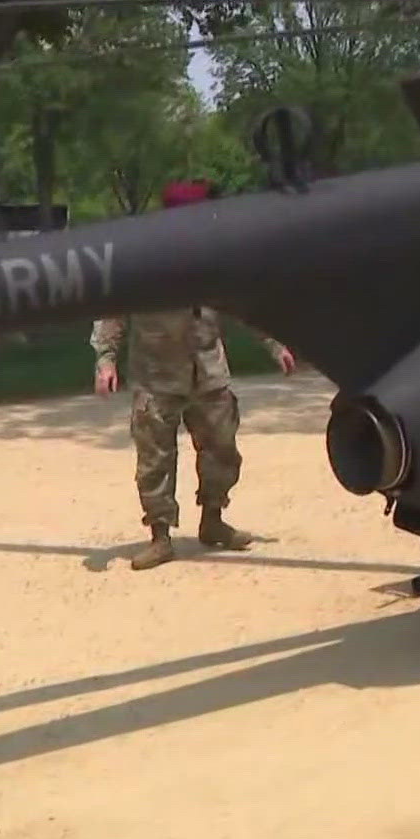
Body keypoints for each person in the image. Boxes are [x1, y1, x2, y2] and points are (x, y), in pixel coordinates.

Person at [89, 179, 299, 571]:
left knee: (222, 448)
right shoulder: (142, 260)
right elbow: (112, 309)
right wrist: (106, 360)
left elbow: (246, 305)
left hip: (208, 371)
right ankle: (160, 536)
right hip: (157, 374)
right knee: (155, 458)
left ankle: (213, 522)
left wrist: (275, 344)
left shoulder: (219, 259)